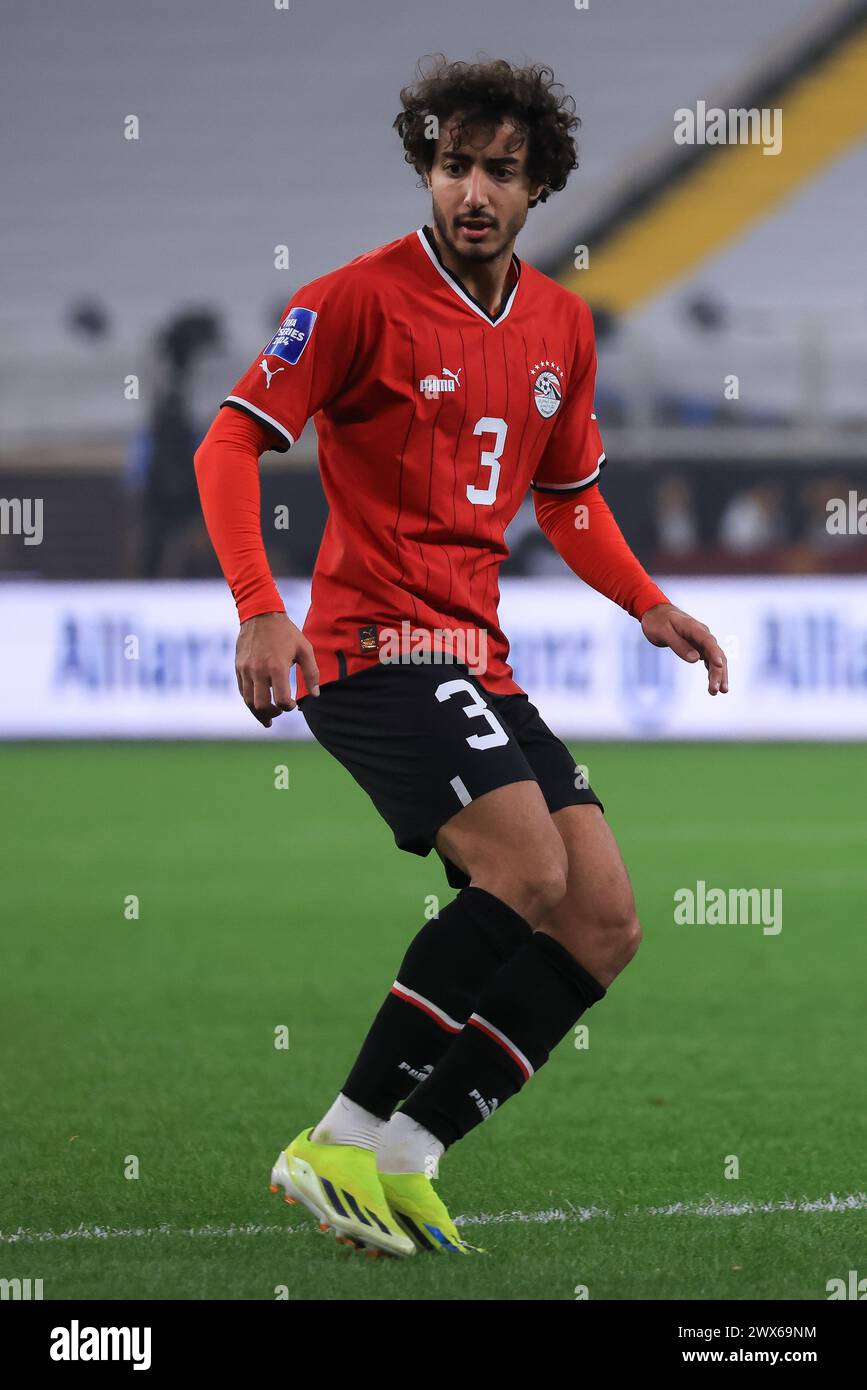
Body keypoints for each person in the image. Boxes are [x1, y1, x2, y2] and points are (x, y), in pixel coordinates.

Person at [194, 56, 728, 1259]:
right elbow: (228, 446)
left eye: (500, 169)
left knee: (602, 919)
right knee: (528, 869)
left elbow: (572, 501)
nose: (473, 190)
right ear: (426, 170)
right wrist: (257, 605)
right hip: (372, 651)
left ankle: (409, 1151)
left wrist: (648, 602)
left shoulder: (558, 326)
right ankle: (337, 1132)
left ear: (539, 187)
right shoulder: (353, 303)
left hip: (475, 659)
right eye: (453, 165)